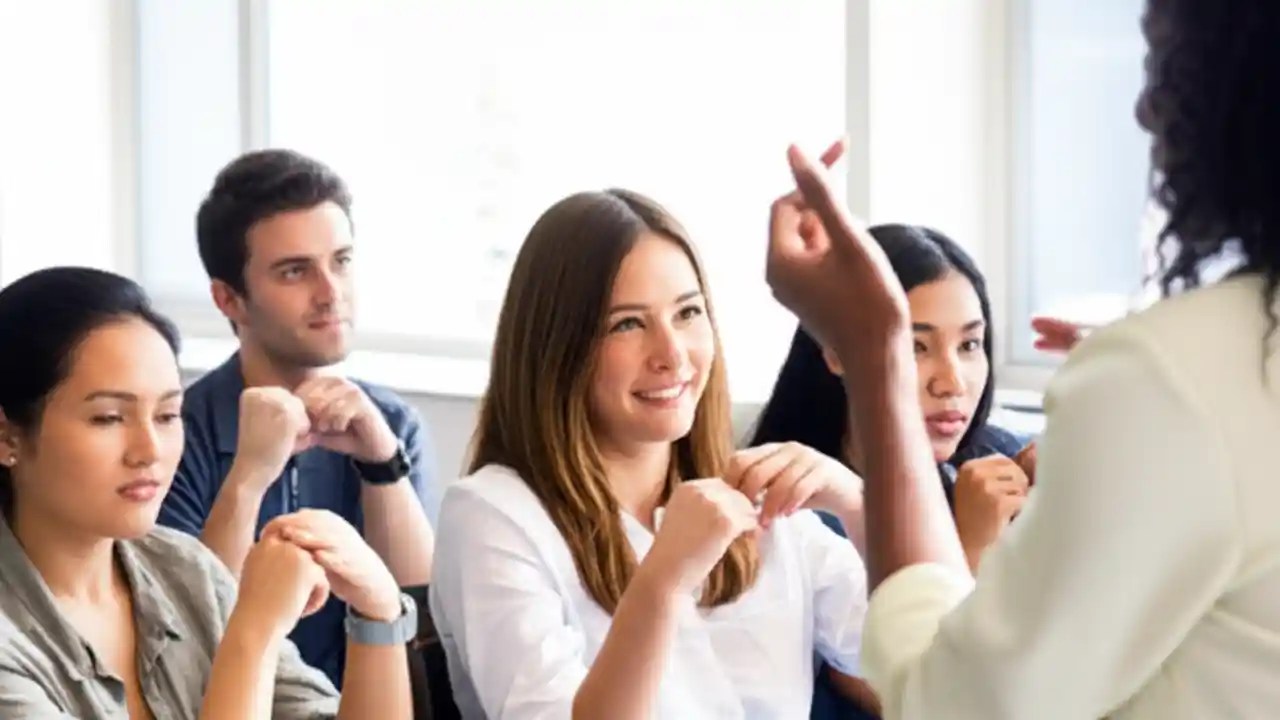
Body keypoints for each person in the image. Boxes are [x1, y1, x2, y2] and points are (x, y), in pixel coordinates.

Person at [763, 0, 1280, 716]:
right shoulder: (785, 509)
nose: (1142, 109)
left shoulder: (1170, 383)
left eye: (1167, 67)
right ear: (827, 356)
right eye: (913, 344)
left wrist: (877, 358)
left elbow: (952, 702)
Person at [430, 186, 871, 718]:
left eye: (687, 313)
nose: (671, 354)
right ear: (557, 349)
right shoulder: (493, 515)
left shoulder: (759, 501)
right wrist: (663, 582)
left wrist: (859, 506)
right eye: (628, 324)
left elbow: (931, 671)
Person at [0, 267, 415, 719]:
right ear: (7, 437)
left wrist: (377, 616)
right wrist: (252, 632)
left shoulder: (188, 572)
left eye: (167, 415)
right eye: (108, 418)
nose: (149, 451)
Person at [158, 149, 437, 686]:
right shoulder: (176, 433)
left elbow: (422, 620)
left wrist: (382, 465)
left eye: (342, 260)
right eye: (295, 271)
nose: (331, 293)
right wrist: (248, 474)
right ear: (228, 300)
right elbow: (186, 633)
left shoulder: (393, 424)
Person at [749, 225, 1031, 719]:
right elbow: (915, 698)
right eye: (917, 348)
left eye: (970, 345)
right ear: (837, 352)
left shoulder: (991, 455)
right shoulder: (797, 506)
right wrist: (972, 547)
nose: (952, 382)